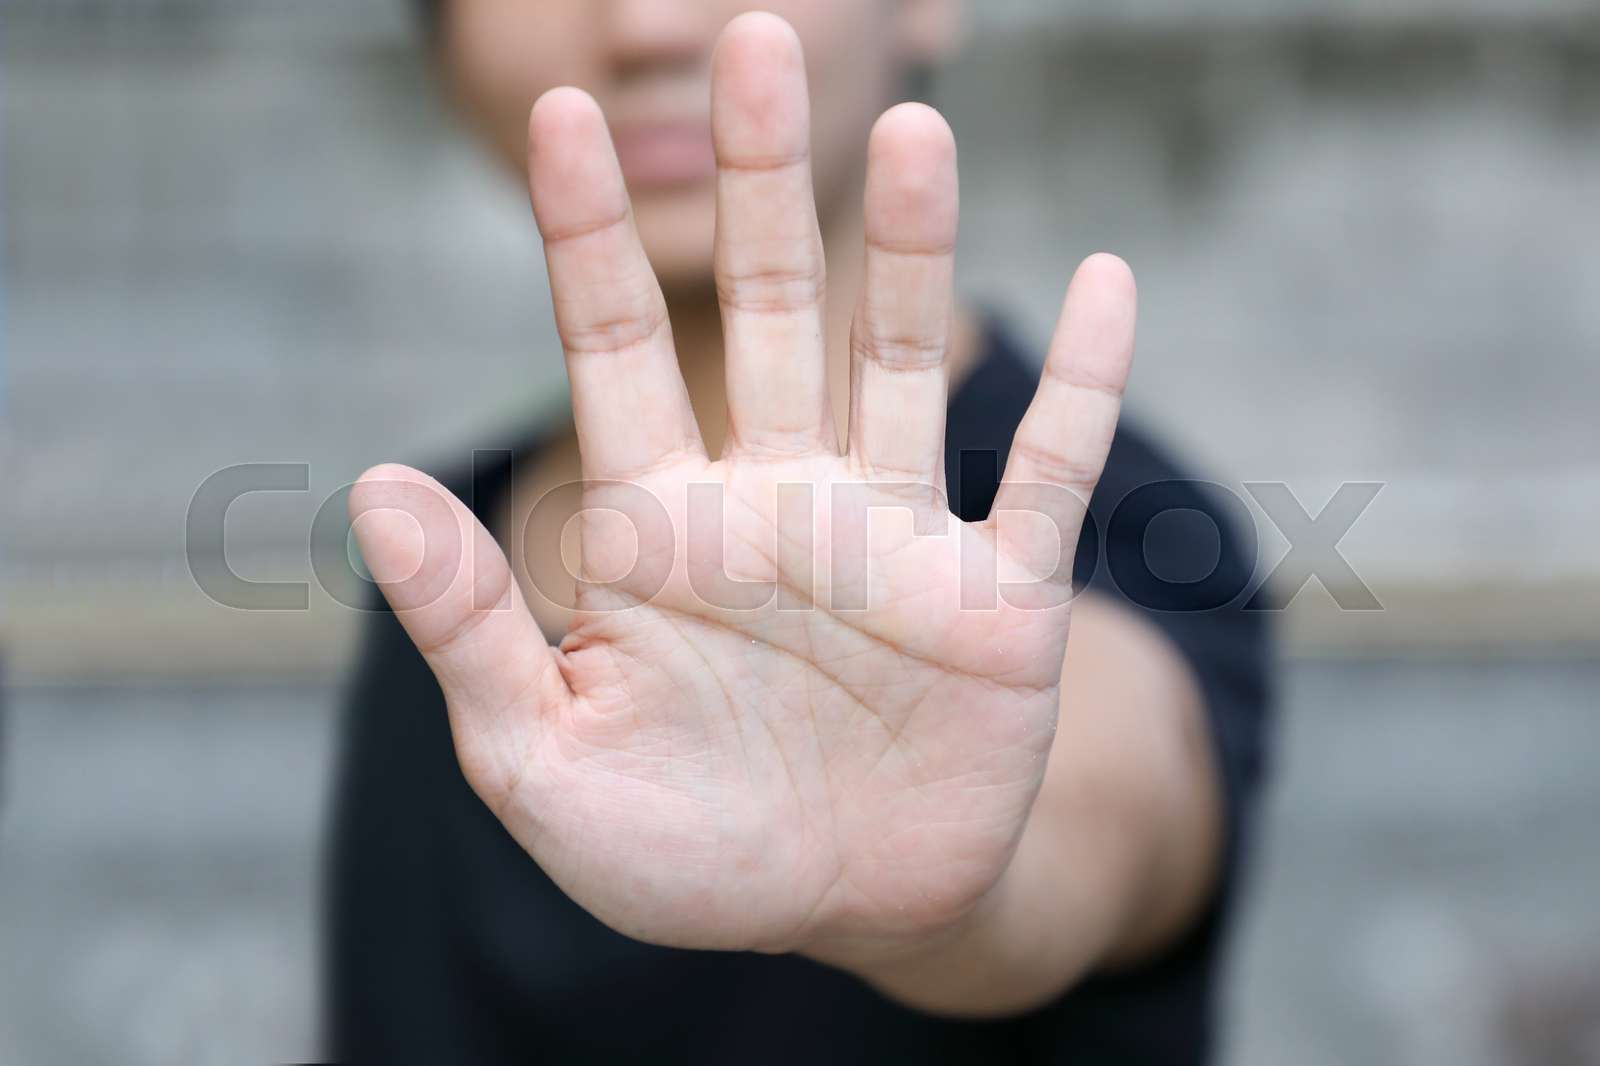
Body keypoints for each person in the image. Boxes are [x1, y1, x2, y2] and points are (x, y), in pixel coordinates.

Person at [326, 5, 1272, 1064]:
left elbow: (1096, 803)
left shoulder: (1114, 525)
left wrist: (962, 889)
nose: (649, 25)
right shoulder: (447, 558)